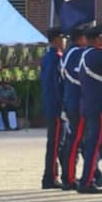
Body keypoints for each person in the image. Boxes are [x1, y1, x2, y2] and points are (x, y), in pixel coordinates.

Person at [77, 24, 102, 194]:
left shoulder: (86, 54)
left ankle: (92, 177)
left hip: (90, 104)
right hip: (98, 106)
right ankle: (87, 180)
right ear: (96, 39)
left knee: (95, 144)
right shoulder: (97, 55)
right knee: (95, 144)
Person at [59, 25, 87, 190]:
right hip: (77, 101)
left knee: (76, 140)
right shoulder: (77, 54)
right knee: (76, 141)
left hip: (72, 100)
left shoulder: (69, 53)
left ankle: (70, 176)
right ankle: (69, 178)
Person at [39, 27, 65, 190]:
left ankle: (53, 175)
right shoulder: (54, 58)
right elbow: (55, 85)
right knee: (55, 143)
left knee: (56, 143)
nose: (64, 41)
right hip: (56, 106)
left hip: (52, 105)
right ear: (55, 40)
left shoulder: (50, 57)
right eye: (62, 38)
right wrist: (62, 105)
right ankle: (50, 176)